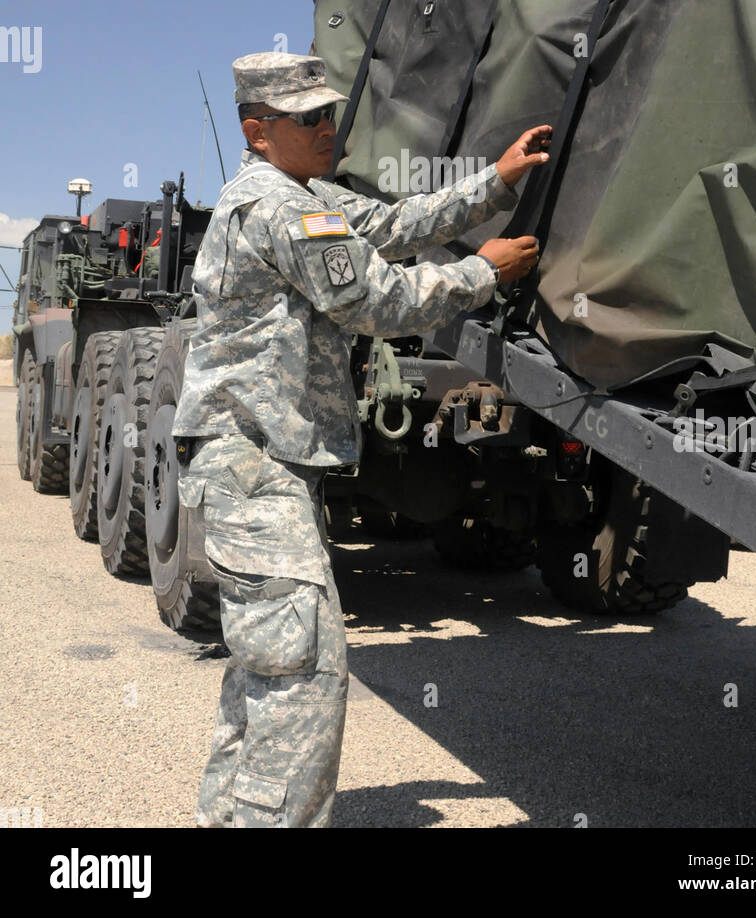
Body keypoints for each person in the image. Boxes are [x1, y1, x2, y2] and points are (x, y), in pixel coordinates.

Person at [173, 50, 548, 828]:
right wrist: (484, 272)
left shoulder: (306, 195)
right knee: (302, 678)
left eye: (329, 113)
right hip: (255, 467)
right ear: (256, 130)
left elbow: (394, 225)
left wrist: (498, 179)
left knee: (269, 671)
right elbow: (379, 302)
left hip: (262, 467)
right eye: (306, 117)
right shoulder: (279, 207)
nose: (326, 127)